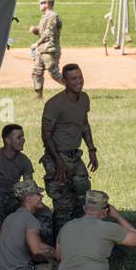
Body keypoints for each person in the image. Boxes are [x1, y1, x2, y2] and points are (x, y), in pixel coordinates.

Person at [56, 190, 136, 270]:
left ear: (84, 208)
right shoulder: (108, 228)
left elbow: (59, 256)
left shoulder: (67, 226)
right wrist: (117, 216)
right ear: (106, 211)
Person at [40, 64, 98, 236]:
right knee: (63, 205)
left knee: (83, 198)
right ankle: (58, 245)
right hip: (57, 157)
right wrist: (58, 161)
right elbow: (46, 135)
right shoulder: (54, 104)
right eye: (74, 79)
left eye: (80, 77)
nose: (79, 81)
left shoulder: (84, 99)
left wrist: (92, 150)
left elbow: (84, 124)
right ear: (64, 81)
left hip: (75, 156)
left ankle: (77, 239)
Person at [0, 123, 53, 238]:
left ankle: (40, 246)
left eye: (23, 136)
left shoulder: (24, 160)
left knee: (44, 213)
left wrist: (36, 201)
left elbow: (28, 185)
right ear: (7, 140)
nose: (23, 140)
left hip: (14, 197)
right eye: (19, 137)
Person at [0, 180, 59, 270]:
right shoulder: (29, 219)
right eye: (38, 194)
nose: (41, 197)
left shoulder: (10, 217)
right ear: (28, 199)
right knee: (62, 268)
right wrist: (59, 254)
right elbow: (37, 249)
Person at [30, 0, 63, 98]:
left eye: (41, 3)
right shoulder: (44, 17)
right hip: (42, 49)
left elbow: (48, 33)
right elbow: (42, 32)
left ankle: (74, 88)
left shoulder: (53, 16)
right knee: (36, 72)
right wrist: (35, 30)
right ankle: (38, 95)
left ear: (47, 4)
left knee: (54, 74)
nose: (39, 5)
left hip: (50, 49)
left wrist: (37, 43)